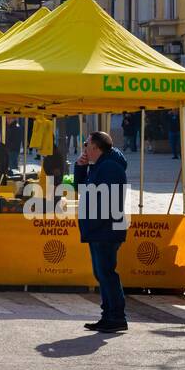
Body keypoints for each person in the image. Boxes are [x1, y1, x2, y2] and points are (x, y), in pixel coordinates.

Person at [76, 131, 130, 333]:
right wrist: (80, 168)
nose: (84, 148)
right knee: (102, 274)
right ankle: (108, 315)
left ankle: (116, 316)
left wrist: (94, 224)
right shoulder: (100, 165)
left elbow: (108, 200)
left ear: (96, 148)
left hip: (105, 229)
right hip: (99, 229)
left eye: (86, 144)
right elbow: (83, 189)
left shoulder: (109, 167)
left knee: (106, 273)